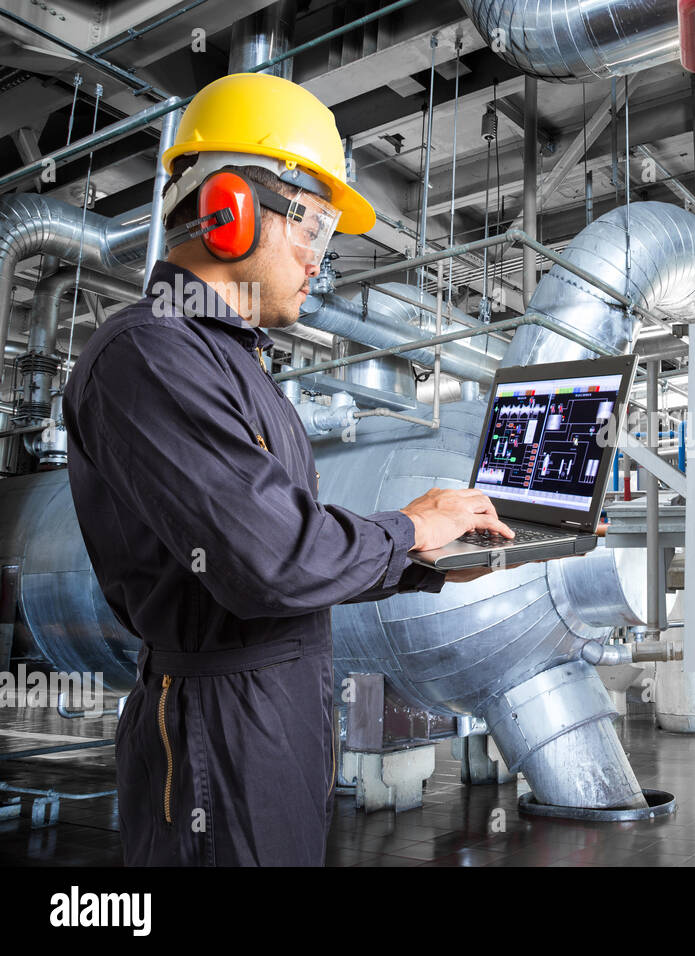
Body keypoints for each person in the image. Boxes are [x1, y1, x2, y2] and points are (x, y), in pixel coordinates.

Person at [62, 72, 515, 866]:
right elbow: (268, 561)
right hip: (218, 741)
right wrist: (407, 527)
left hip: (271, 722)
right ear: (229, 212)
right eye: (310, 226)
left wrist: (420, 557)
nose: (320, 260)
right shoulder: (151, 354)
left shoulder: (228, 361)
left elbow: (287, 547)